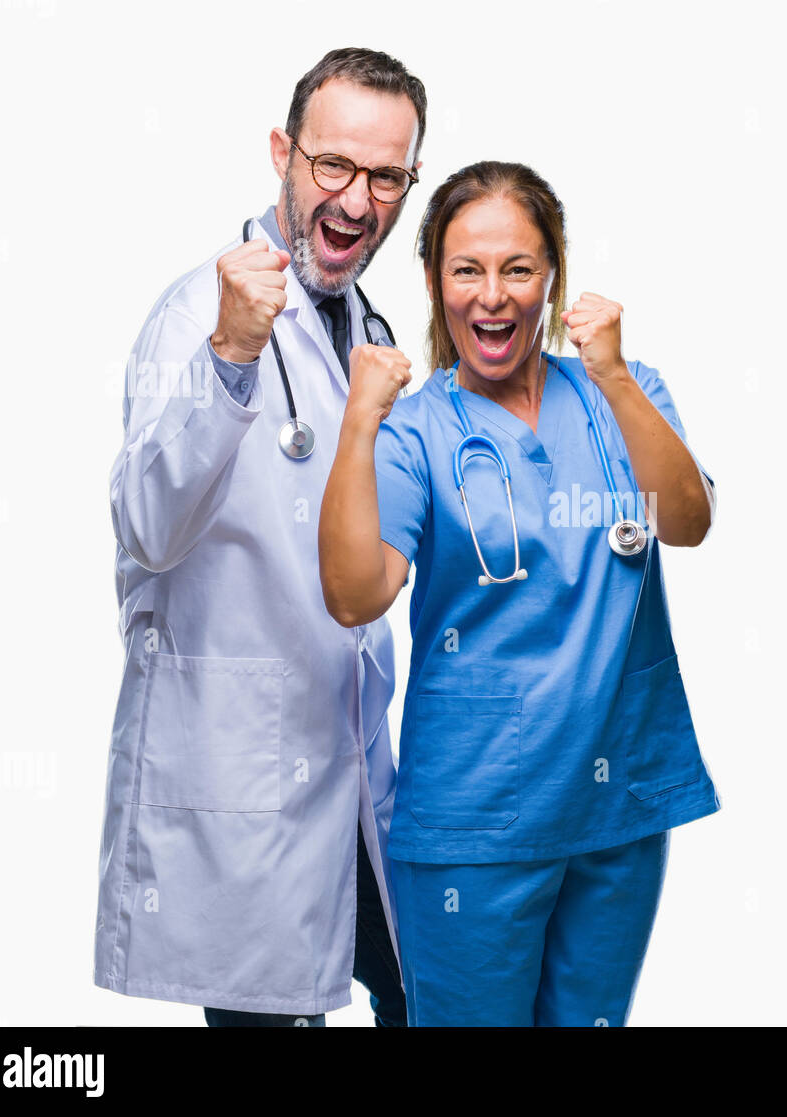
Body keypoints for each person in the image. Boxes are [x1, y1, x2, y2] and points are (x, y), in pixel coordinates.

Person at [318, 161, 720, 1026]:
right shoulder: (415, 431)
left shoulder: (628, 390)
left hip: (618, 809)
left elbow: (686, 520)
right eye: (466, 270)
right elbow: (356, 595)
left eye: (518, 269)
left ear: (553, 279)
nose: (492, 297)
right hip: (476, 822)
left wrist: (609, 376)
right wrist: (358, 422)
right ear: (433, 281)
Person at [95, 48, 425, 1027]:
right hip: (244, 788)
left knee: (435, 994)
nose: (357, 201)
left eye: (385, 177)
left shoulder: (361, 318)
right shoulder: (198, 310)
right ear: (283, 152)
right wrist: (233, 354)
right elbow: (147, 528)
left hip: (355, 772)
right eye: (333, 166)